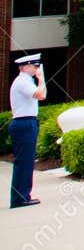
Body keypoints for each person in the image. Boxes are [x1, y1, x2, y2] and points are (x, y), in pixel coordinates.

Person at [10, 54, 46, 208]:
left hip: (25, 122)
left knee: (26, 161)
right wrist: (41, 78)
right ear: (25, 66)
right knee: (24, 162)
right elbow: (41, 95)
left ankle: (22, 195)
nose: (37, 69)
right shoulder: (23, 81)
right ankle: (20, 197)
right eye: (35, 66)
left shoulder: (24, 81)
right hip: (24, 123)